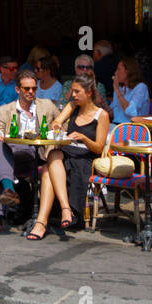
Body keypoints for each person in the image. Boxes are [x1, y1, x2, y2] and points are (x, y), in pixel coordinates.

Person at [27, 73, 109, 241]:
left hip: (86, 158)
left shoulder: (102, 115)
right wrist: (57, 127)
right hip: (68, 152)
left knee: (47, 171)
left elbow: (99, 147)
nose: (73, 95)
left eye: (77, 92)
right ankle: (65, 209)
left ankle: (41, 223)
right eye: (73, 91)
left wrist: (84, 138)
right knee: (54, 154)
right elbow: (56, 122)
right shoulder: (72, 106)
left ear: (89, 93)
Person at [0, 70, 62, 234]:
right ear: (18, 90)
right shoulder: (6, 109)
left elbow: (62, 123)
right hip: (10, 154)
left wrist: (56, 128)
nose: (31, 92)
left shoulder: (47, 105)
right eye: (26, 89)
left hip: (35, 153)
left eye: (33, 88)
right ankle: (8, 190)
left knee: (2, 166)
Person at [110, 57, 150, 124]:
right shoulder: (121, 88)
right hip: (116, 125)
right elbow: (113, 113)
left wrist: (117, 90)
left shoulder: (141, 87)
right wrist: (102, 104)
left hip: (133, 127)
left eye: (118, 69)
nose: (115, 73)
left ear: (128, 71)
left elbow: (131, 111)